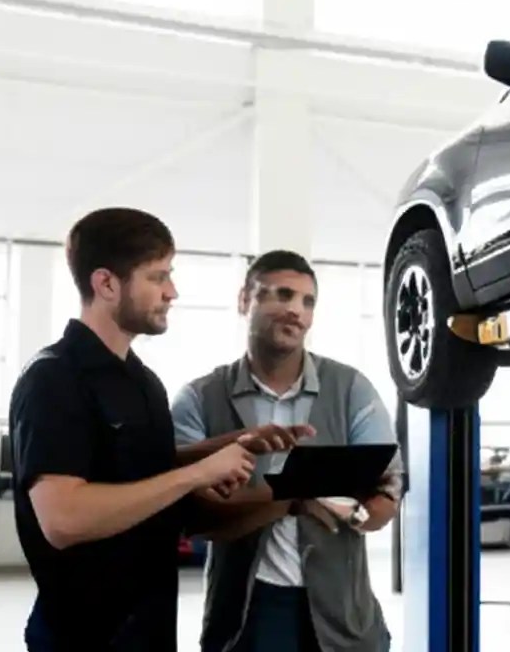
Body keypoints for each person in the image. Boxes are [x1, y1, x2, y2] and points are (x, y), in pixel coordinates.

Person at [8, 208, 312, 652]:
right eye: (157, 277)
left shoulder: (143, 382)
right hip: (82, 637)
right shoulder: (54, 379)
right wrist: (198, 473)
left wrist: (229, 449)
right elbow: (63, 518)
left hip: (148, 630)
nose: (172, 292)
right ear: (106, 284)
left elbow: (149, 475)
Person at [171, 250, 403, 652]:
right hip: (247, 614)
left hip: (343, 615)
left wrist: (356, 512)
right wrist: (291, 497)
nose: (296, 310)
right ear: (245, 299)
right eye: (281, 295)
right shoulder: (198, 399)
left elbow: (385, 493)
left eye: (307, 301)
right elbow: (192, 515)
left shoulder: (352, 390)